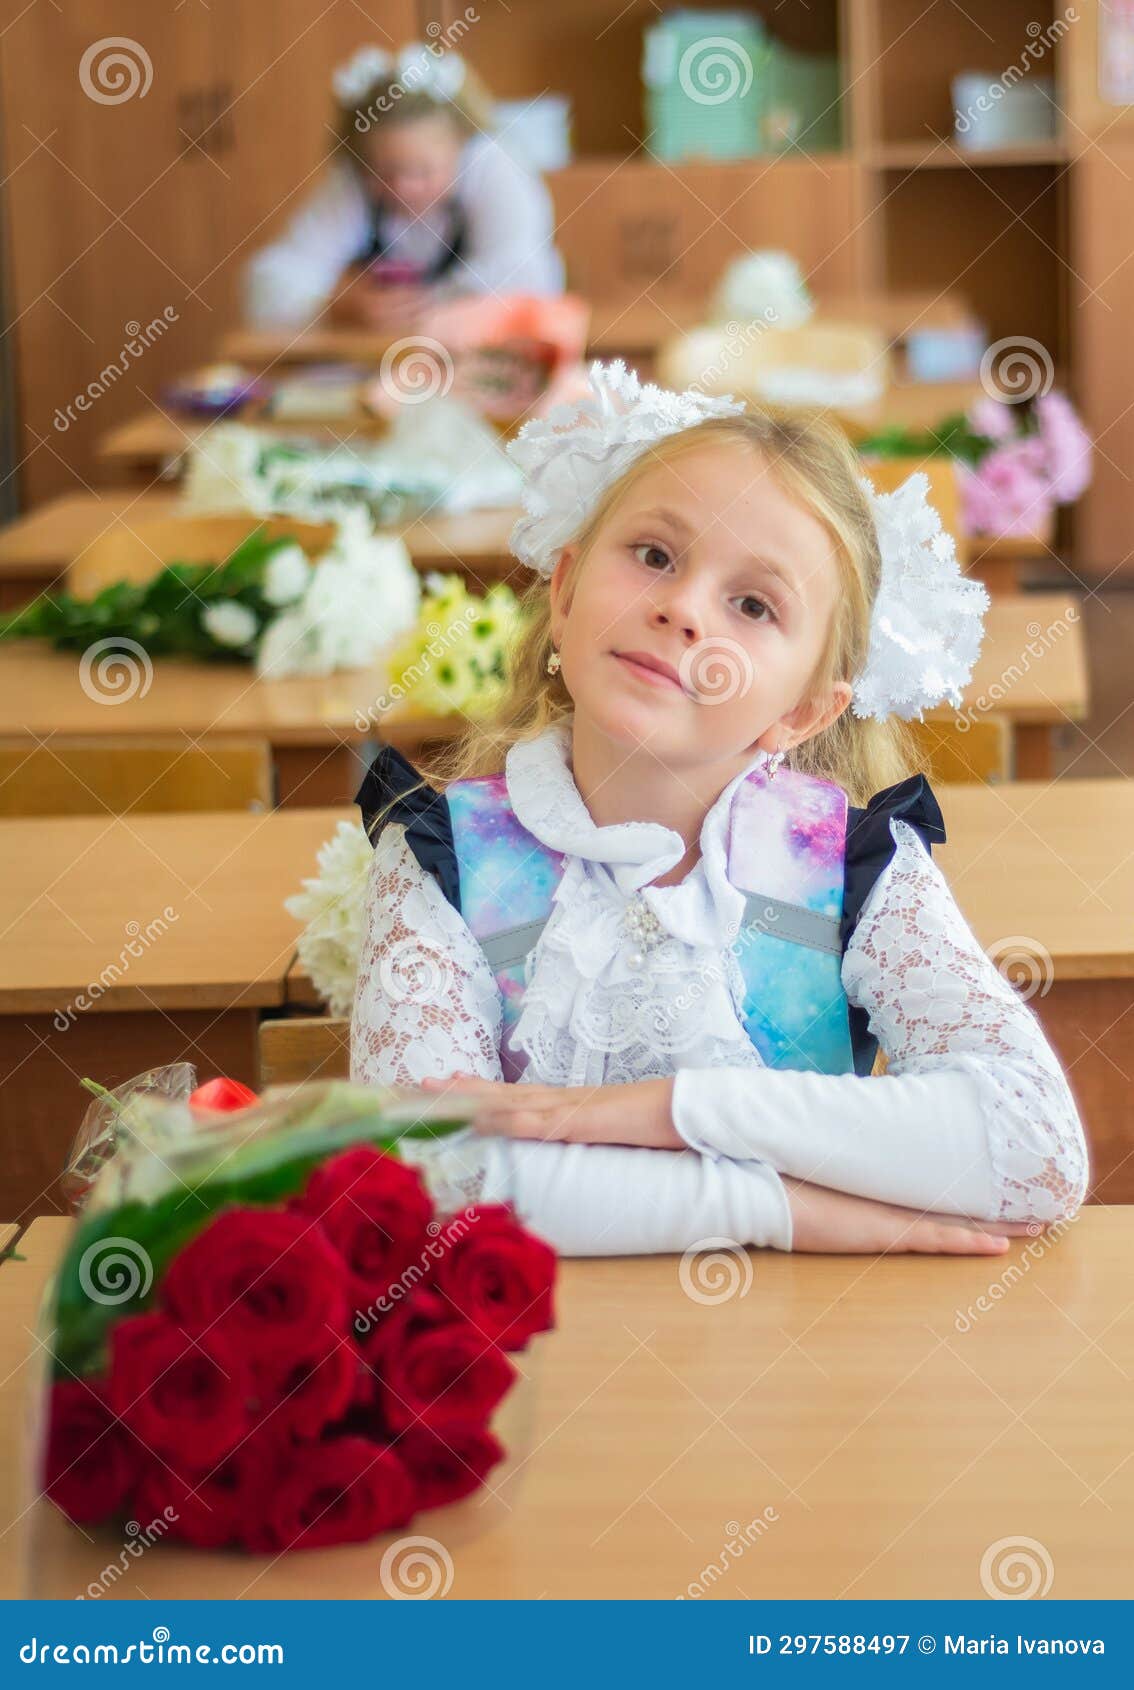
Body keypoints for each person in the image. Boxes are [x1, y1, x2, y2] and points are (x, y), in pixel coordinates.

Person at [350, 361, 1089, 1258]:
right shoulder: (444, 857)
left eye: (752, 604)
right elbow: (413, 1184)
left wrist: (668, 1113)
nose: (684, 610)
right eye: (655, 555)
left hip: (814, 1368)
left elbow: (1035, 1149)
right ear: (567, 587)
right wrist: (779, 1209)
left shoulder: (852, 868)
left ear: (804, 711)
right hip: (542, 1370)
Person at [242, 42, 565, 332]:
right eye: (384, 173)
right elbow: (270, 283)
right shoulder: (354, 178)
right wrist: (329, 308)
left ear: (460, 148)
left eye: (423, 172)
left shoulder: (491, 164)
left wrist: (433, 305)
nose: (403, 188)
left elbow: (530, 278)